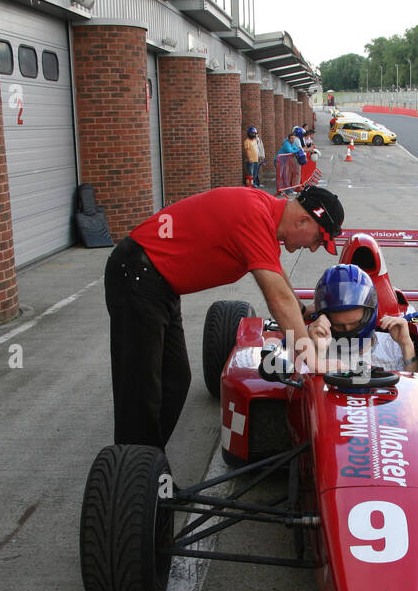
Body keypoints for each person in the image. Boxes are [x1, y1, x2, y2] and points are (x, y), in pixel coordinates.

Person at [105, 185, 344, 448]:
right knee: (141, 390)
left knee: (176, 380)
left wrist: (300, 310)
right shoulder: (254, 215)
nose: (312, 249)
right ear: (303, 220)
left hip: (159, 284)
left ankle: (146, 462)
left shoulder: (264, 213)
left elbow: (276, 276)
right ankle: (135, 474)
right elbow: (277, 297)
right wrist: (311, 358)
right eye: (318, 240)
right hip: (138, 273)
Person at [306, 264, 418, 372]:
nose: (348, 330)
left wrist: (406, 344)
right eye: (339, 326)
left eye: (355, 323)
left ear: (369, 313)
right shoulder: (314, 346)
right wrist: (318, 351)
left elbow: (414, 388)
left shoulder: (394, 346)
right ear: (325, 320)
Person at [276, 127, 307, 194]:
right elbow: (290, 150)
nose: (293, 140)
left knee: (285, 176)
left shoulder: (292, 143)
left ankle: (288, 190)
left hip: (284, 160)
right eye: (291, 138)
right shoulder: (286, 143)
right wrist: (297, 150)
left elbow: (297, 148)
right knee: (280, 176)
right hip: (279, 160)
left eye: (294, 138)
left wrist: (297, 150)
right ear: (289, 138)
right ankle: (279, 190)